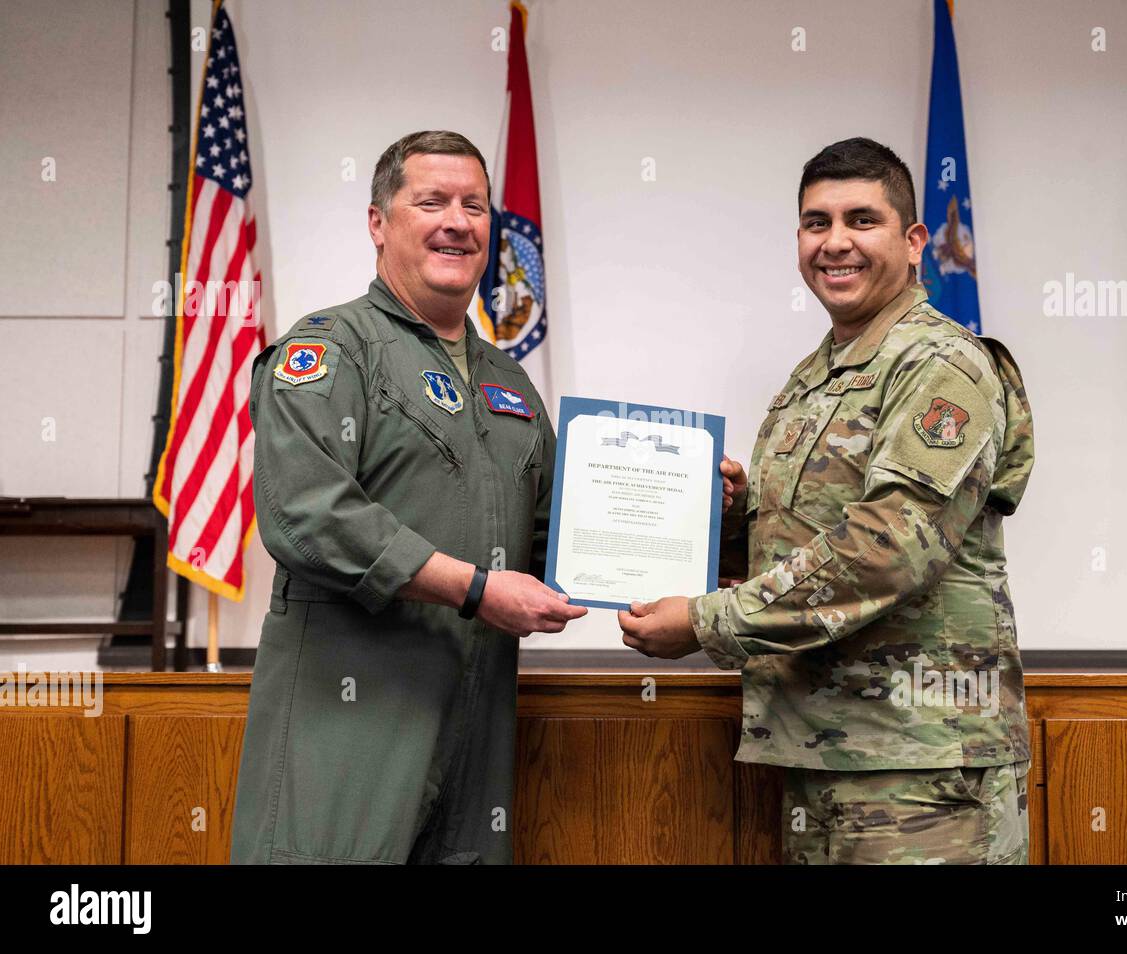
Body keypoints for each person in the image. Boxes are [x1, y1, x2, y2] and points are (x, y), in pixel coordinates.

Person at [619, 137, 1035, 865]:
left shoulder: (939, 361)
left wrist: (705, 623)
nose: (835, 242)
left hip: (922, 765)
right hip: (829, 748)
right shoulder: (817, 375)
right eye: (817, 223)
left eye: (861, 220)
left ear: (912, 243)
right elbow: (816, 538)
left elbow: (889, 550)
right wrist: (731, 516)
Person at [231, 131, 585, 865]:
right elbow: (306, 515)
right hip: (350, 726)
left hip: (475, 732)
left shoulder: (509, 384)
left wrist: (694, 513)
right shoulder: (330, 351)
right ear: (378, 223)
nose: (458, 221)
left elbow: (561, 534)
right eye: (431, 201)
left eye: (475, 206)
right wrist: (475, 589)